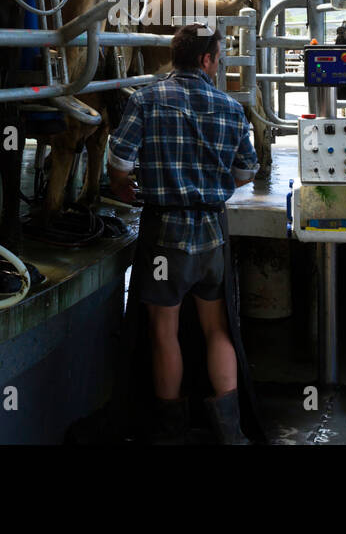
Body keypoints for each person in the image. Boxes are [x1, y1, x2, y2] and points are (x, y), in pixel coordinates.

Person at [106, 22, 259, 444]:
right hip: (211, 233)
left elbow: (118, 161)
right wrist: (213, 181)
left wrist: (124, 185)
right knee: (217, 329)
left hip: (164, 238)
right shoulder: (230, 108)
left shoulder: (146, 99)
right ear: (208, 60)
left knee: (163, 332)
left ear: (176, 56)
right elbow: (247, 170)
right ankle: (231, 434)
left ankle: (170, 433)